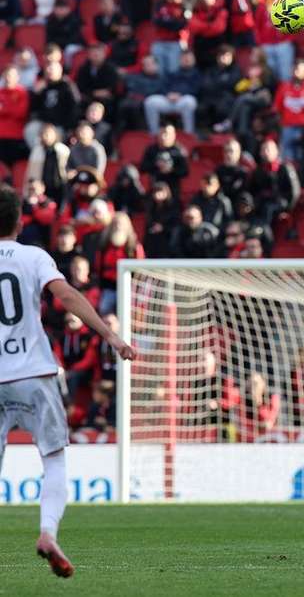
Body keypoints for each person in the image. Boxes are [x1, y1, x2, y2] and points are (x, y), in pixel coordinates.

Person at [0, 185, 135, 578]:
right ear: (20, 220)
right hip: (34, 374)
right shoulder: (34, 256)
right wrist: (111, 336)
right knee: (54, 457)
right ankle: (47, 532)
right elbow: (68, 297)